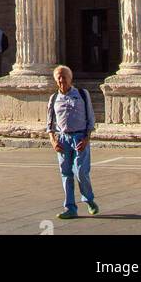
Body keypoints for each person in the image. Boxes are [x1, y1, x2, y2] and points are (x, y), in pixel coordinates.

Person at [47, 64, 99, 219]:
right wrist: (53, 141)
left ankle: (89, 200)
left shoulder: (83, 94)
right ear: (55, 80)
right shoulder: (54, 98)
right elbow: (49, 124)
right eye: (59, 78)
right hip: (62, 139)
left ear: (71, 78)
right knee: (66, 173)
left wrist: (87, 138)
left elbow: (90, 118)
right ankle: (70, 207)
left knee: (81, 171)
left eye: (65, 77)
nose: (62, 80)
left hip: (80, 137)